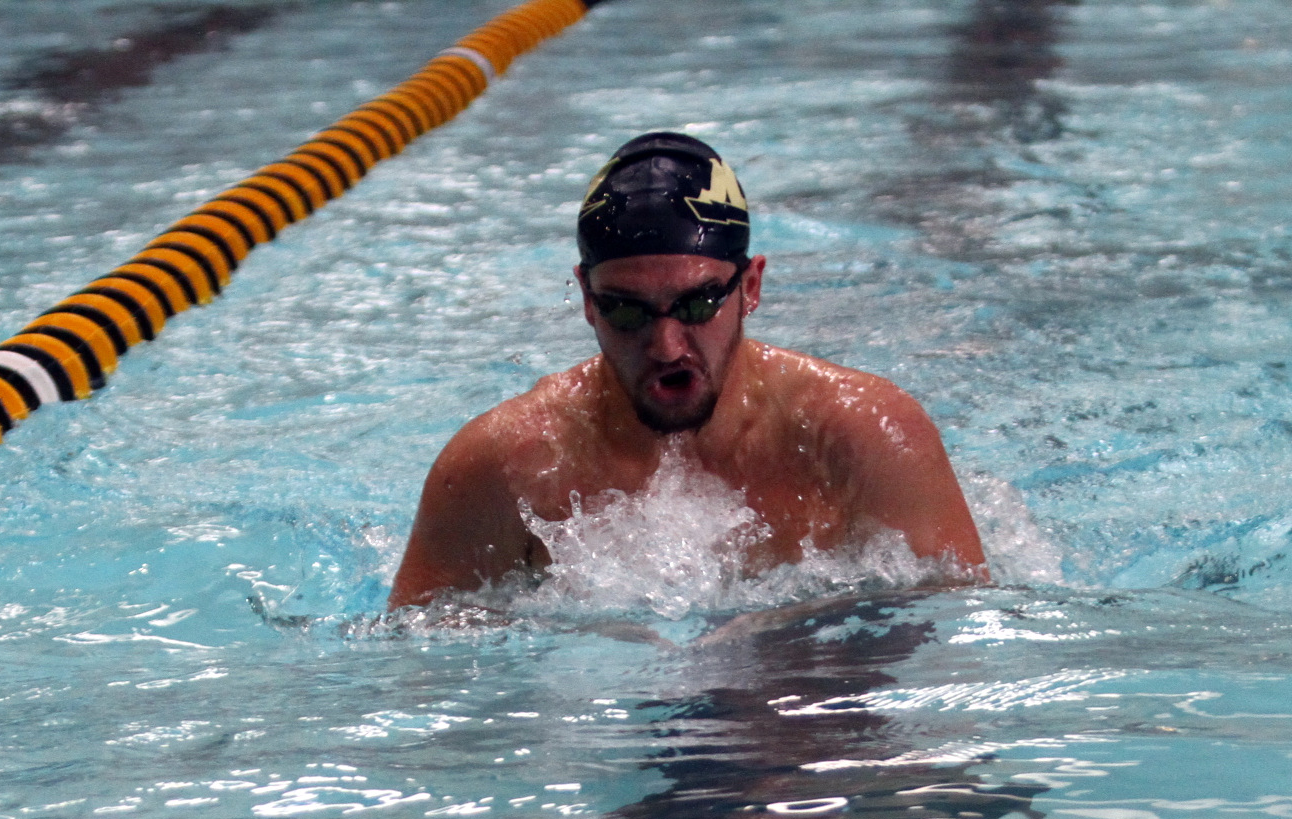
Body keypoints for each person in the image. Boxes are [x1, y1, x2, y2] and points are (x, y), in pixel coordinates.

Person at [387, 132, 987, 609]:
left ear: (750, 286)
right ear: (588, 298)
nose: (667, 345)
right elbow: (425, 678)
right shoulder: (498, 467)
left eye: (698, 304)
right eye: (627, 310)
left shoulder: (867, 436)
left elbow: (956, 646)